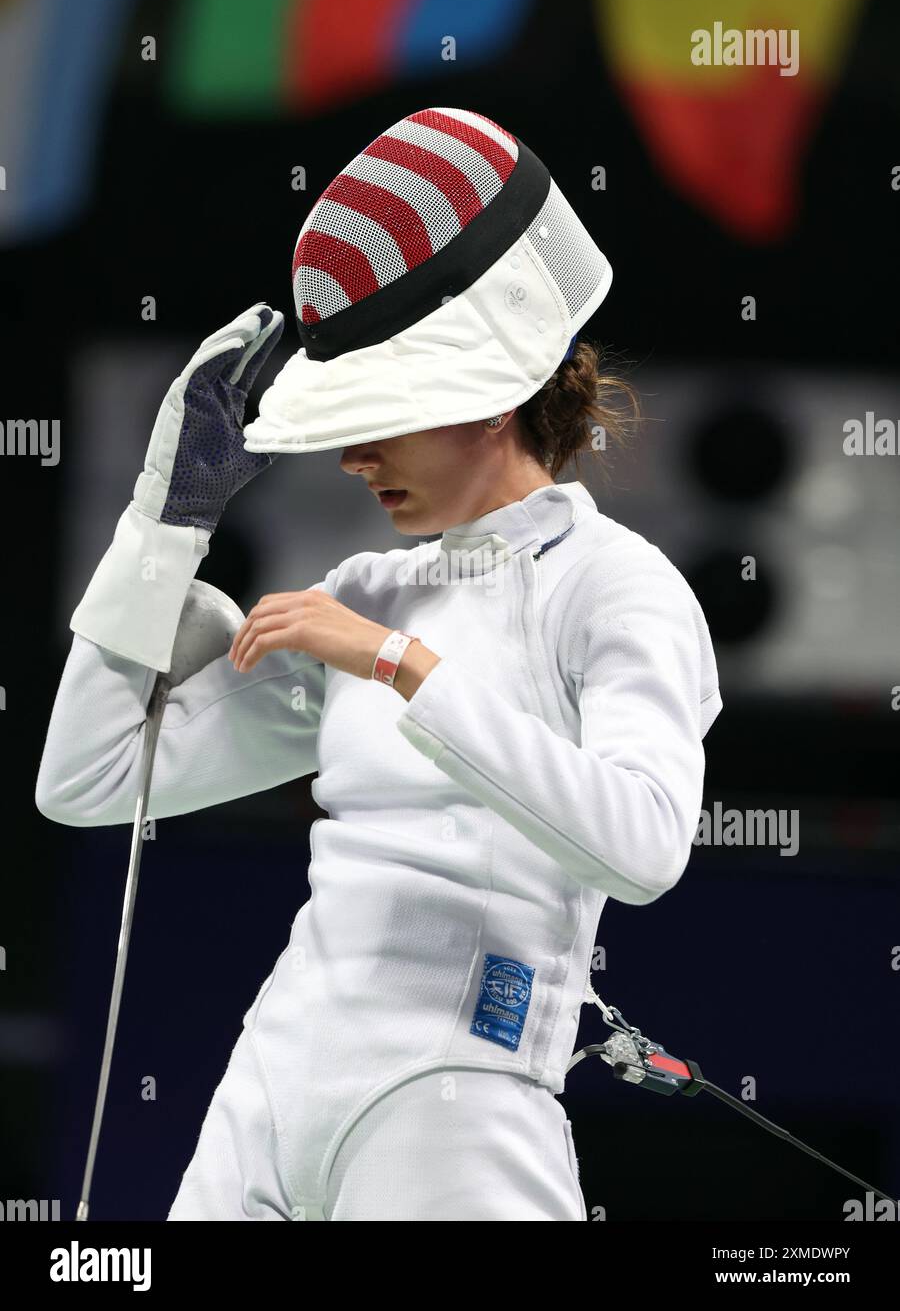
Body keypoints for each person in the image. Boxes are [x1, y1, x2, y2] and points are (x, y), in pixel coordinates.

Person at [35, 108, 722, 1221]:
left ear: (494, 391)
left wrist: (403, 665)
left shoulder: (614, 585)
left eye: (383, 416)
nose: (354, 456)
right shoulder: (361, 595)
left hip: (456, 1101)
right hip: (272, 1074)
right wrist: (163, 525)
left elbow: (642, 848)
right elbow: (88, 781)